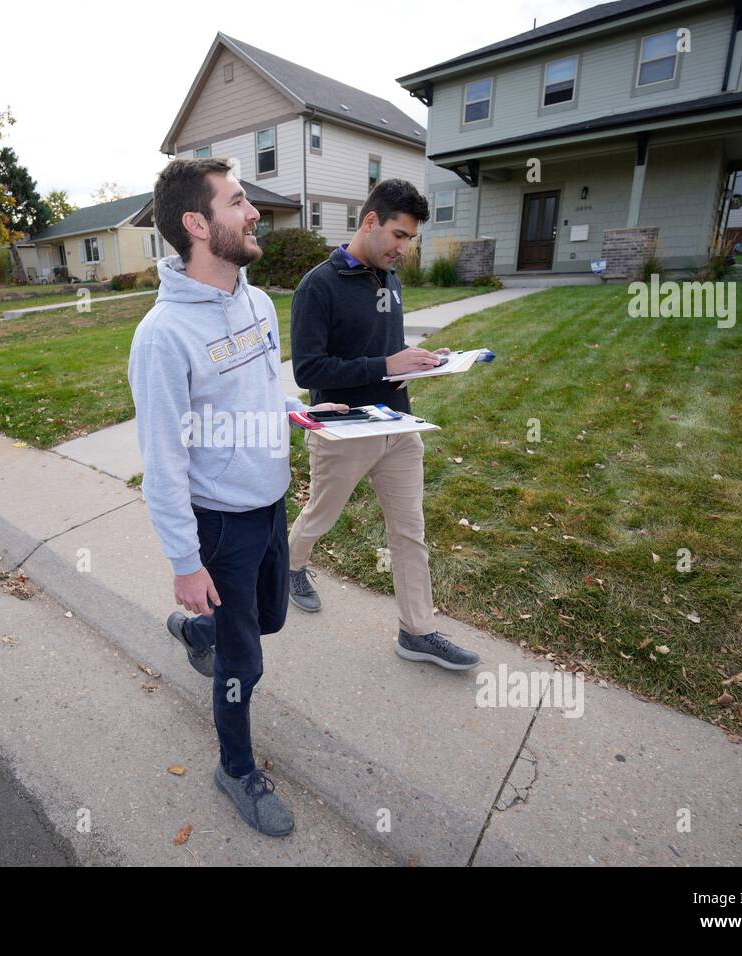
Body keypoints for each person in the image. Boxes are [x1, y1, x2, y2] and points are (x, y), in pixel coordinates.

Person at [127, 157, 345, 837]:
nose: (255, 213)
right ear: (197, 223)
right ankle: (236, 767)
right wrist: (184, 562)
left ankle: (200, 630)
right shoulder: (162, 338)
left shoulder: (255, 299)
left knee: (270, 618)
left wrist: (294, 409)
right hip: (218, 525)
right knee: (244, 663)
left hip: (270, 502)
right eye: (239, 201)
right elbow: (161, 463)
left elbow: (252, 388)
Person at [287, 179, 482, 672]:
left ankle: (417, 631)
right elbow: (309, 370)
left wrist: (423, 362)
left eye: (410, 239)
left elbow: (385, 353)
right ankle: (289, 566)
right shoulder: (318, 286)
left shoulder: (389, 278)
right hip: (345, 430)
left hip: (397, 427)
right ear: (370, 221)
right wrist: (387, 364)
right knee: (319, 517)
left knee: (409, 531)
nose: (403, 248)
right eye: (398, 234)